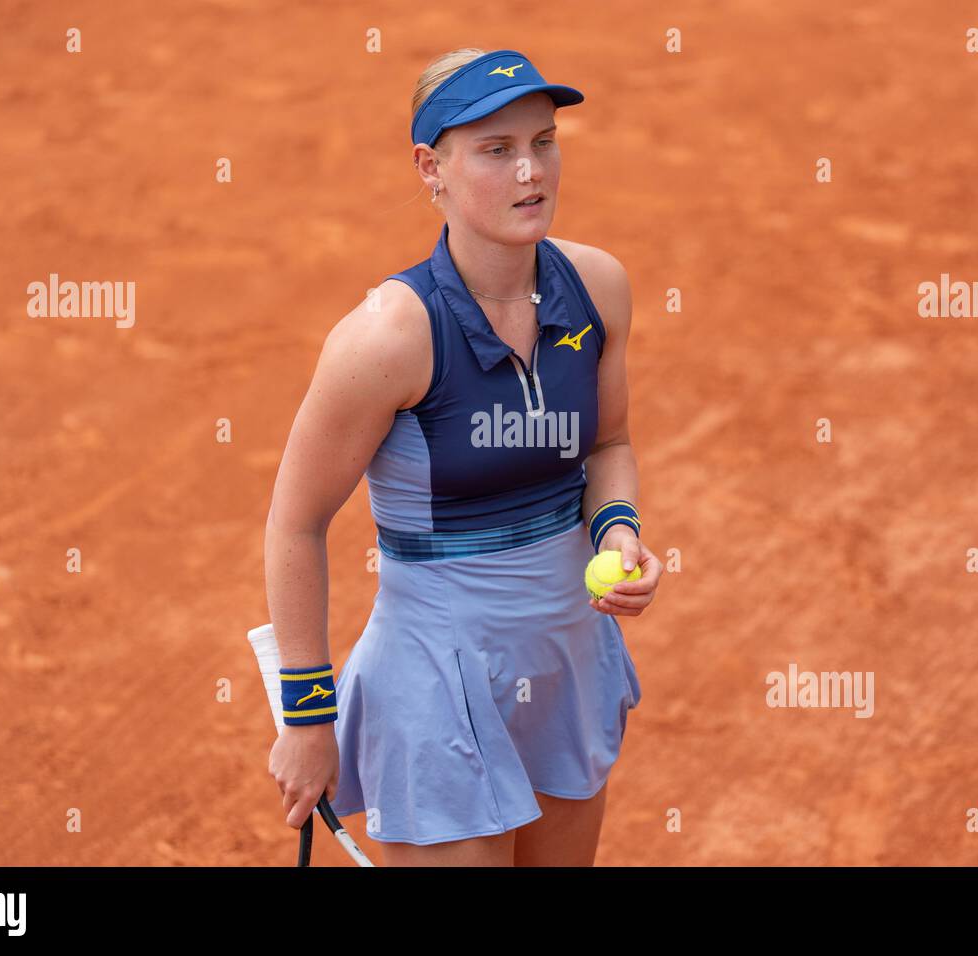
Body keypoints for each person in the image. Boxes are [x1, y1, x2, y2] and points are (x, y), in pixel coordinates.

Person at [264, 47, 662, 866]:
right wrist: (308, 719)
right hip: (435, 681)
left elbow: (610, 443)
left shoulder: (598, 286)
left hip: (565, 661)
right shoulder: (385, 338)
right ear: (430, 167)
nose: (531, 171)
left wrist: (617, 533)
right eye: (496, 150)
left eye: (544, 142)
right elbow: (296, 524)